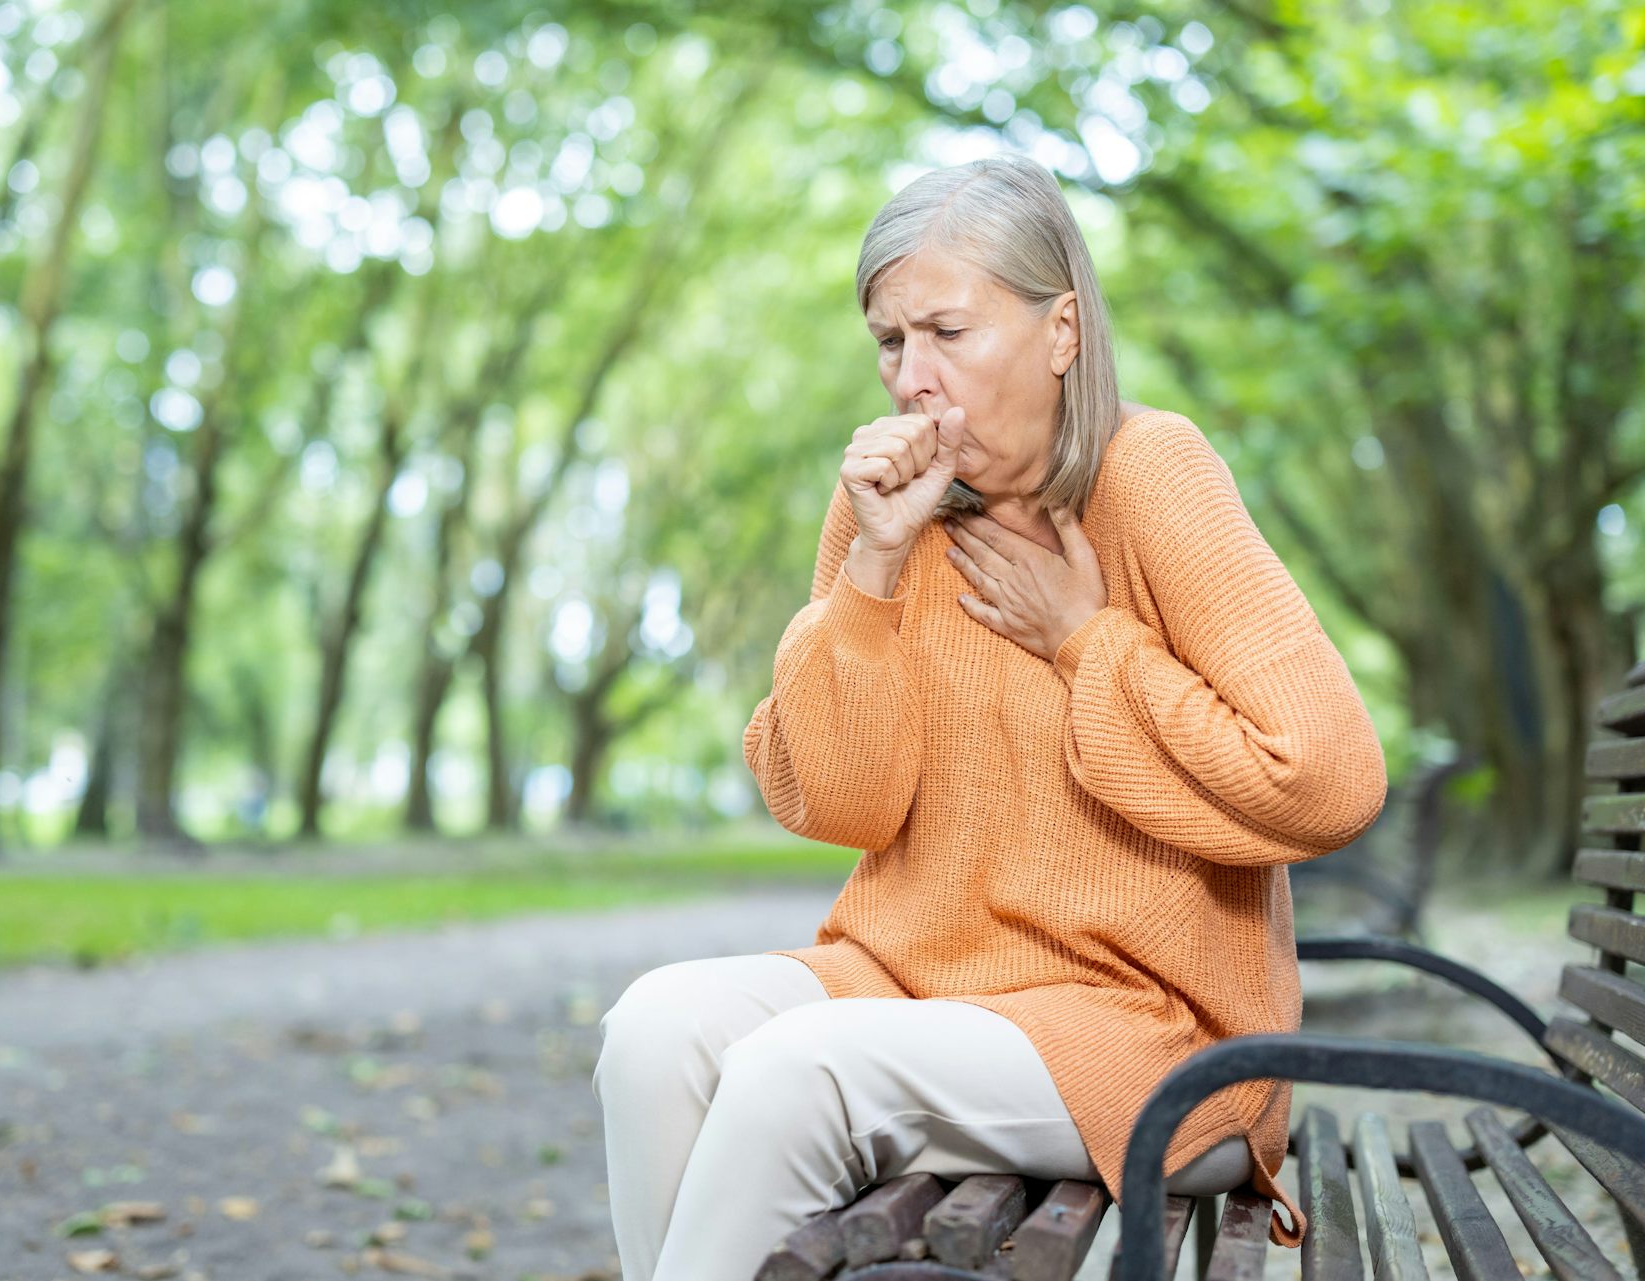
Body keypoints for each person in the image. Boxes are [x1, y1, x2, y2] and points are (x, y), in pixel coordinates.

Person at [590, 152, 1389, 1281]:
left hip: (1150, 1026)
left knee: (796, 1072)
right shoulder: (884, 511)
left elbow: (1329, 779)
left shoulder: (1151, 474)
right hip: (916, 977)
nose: (910, 377)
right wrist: (869, 568)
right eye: (889, 341)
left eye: (946, 333)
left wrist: (1089, 645)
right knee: (654, 1030)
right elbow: (834, 800)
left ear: (1061, 331)